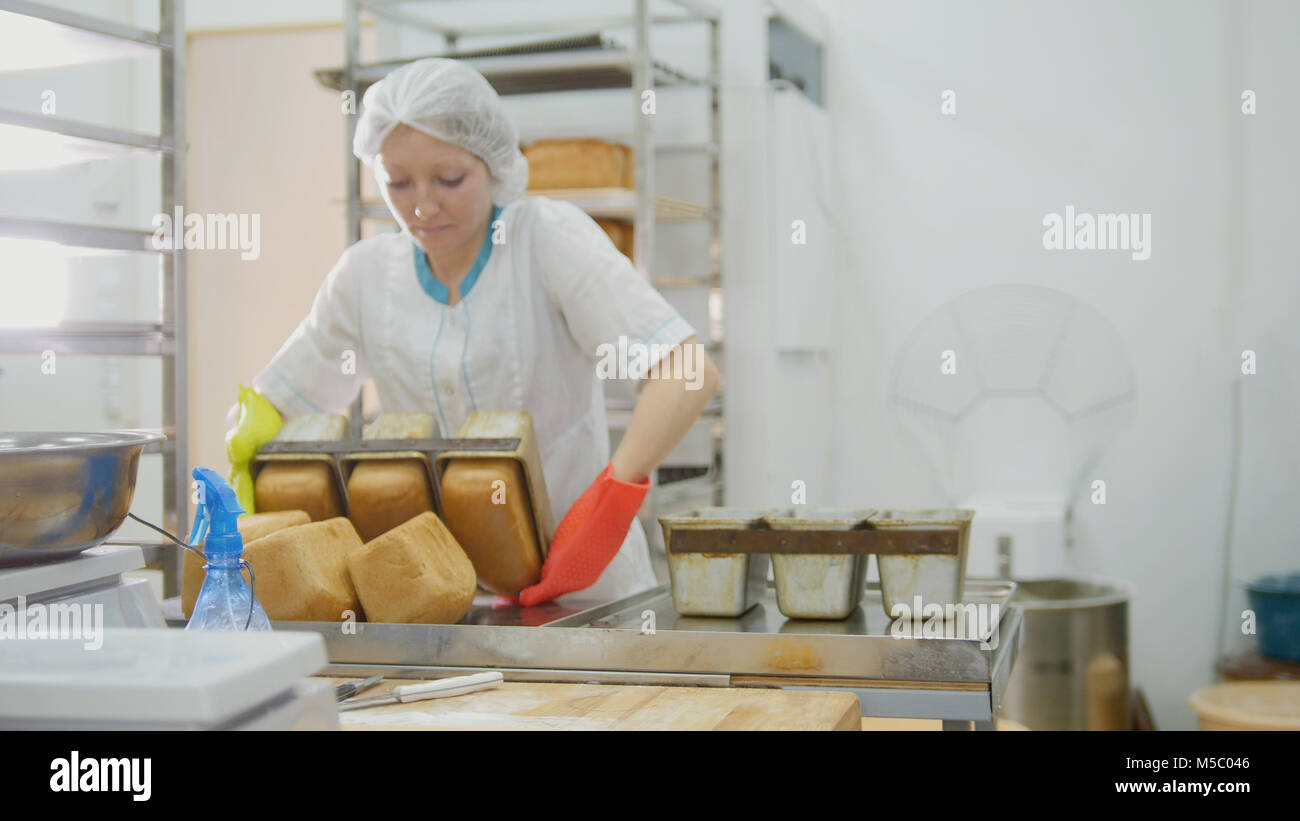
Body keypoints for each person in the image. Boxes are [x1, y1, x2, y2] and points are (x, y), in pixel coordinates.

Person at [237, 58, 719, 606]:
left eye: (449, 179)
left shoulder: (546, 241)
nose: (421, 205)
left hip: (585, 588)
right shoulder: (366, 277)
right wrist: (237, 455)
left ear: (493, 165)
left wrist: (608, 502)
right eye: (398, 182)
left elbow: (688, 373)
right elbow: (279, 406)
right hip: (439, 598)